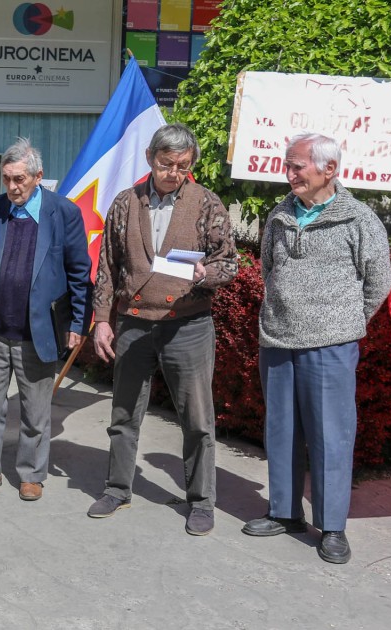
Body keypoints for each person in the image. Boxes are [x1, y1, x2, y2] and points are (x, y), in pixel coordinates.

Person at [243, 133, 391, 564]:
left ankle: (331, 527)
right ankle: (285, 512)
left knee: (330, 436)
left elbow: (378, 282)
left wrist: (344, 322)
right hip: (278, 339)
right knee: (281, 430)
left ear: (329, 169)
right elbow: (270, 270)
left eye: (297, 166)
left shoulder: (359, 219)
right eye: (287, 165)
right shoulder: (279, 215)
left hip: (331, 345)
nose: (288, 174)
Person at [87, 123, 238, 536]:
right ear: (150, 158)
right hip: (134, 322)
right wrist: (102, 320)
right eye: (166, 163)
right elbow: (107, 268)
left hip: (187, 324)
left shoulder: (207, 203)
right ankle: (117, 488)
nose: (174, 172)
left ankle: (201, 501)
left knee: (197, 420)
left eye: (183, 166)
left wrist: (208, 273)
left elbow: (230, 262)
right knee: (124, 414)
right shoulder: (125, 202)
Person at [0, 138, 91, 501]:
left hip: (39, 330)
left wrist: (78, 323)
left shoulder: (63, 213)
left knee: (35, 411)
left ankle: (32, 474)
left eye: (20, 179)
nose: (13, 187)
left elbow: (80, 272)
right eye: (7, 179)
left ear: (38, 177)